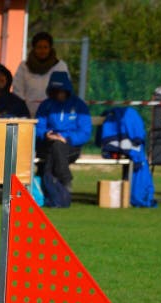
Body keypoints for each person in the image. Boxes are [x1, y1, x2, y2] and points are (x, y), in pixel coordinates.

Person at [35, 71, 92, 208]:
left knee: (56, 149)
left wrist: (67, 138)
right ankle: (65, 183)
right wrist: (46, 134)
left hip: (70, 146)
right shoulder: (46, 106)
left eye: (62, 90)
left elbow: (85, 131)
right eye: (56, 90)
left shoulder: (79, 106)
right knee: (55, 146)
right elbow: (38, 126)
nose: (59, 93)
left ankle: (57, 189)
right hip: (48, 144)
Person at [13, 32, 70, 117]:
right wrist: (23, 111)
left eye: (45, 47)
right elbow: (18, 91)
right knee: (12, 128)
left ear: (50, 48)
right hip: (28, 114)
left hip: (53, 115)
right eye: (39, 47)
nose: (42, 51)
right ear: (34, 48)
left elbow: (66, 90)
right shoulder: (24, 67)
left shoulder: (60, 66)